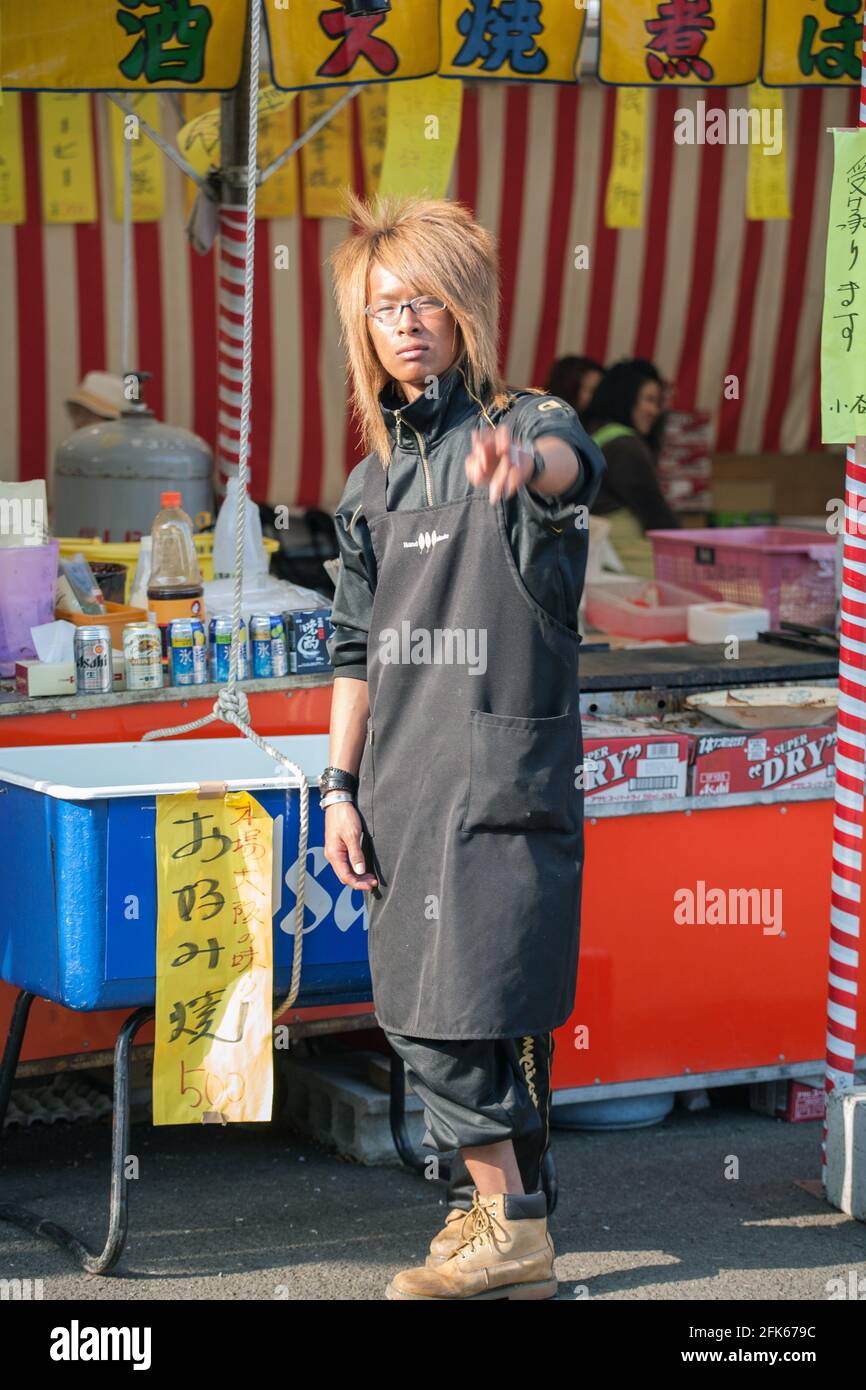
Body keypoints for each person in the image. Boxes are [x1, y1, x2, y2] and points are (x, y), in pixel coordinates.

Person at [323, 192, 606, 1301]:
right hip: (398, 782)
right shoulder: (369, 483)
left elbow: (568, 471)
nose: (406, 322)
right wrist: (337, 786)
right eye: (386, 305)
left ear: (468, 310)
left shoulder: (528, 424)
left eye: (427, 299)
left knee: (464, 1008)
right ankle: (503, 1228)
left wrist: (519, 469)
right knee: (439, 1005)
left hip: (501, 770)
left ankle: (509, 1223)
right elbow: (352, 648)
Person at [583, 358, 679, 578]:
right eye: (649, 400)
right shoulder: (625, 446)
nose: (654, 411)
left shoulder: (592, 432)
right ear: (626, 397)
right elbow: (658, 517)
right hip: (623, 562)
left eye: (657, 403)